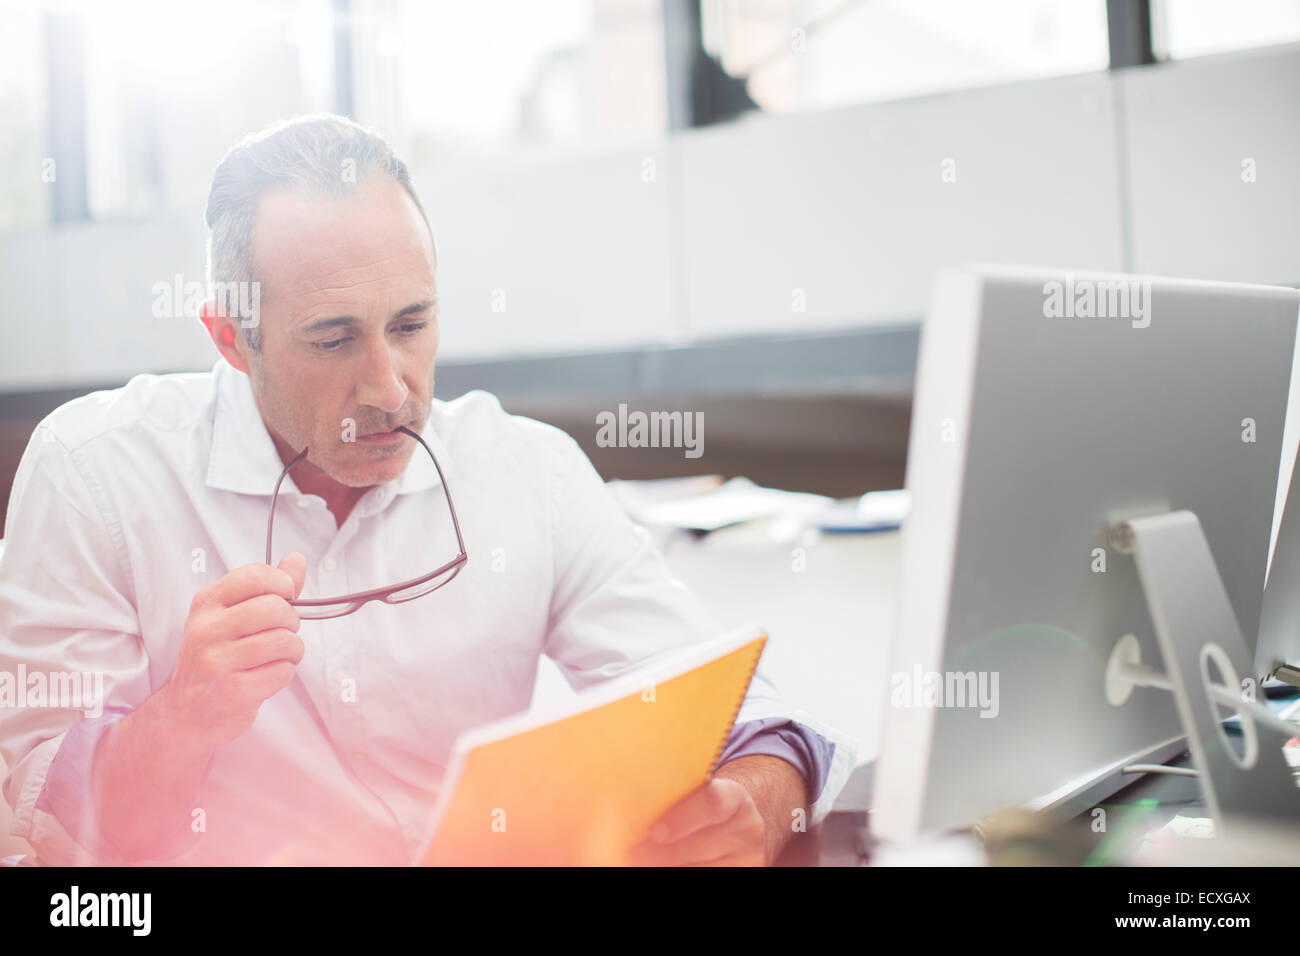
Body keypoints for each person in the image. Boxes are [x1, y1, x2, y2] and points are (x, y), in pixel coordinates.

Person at [0, 114, 855, 866]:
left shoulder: (529, 473)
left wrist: (754, 807)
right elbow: (46, 835)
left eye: (411, 325)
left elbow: (751, 717)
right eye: (333, 341)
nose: (389, 386)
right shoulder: (95, 474)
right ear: (230, 336)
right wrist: (183, 719)